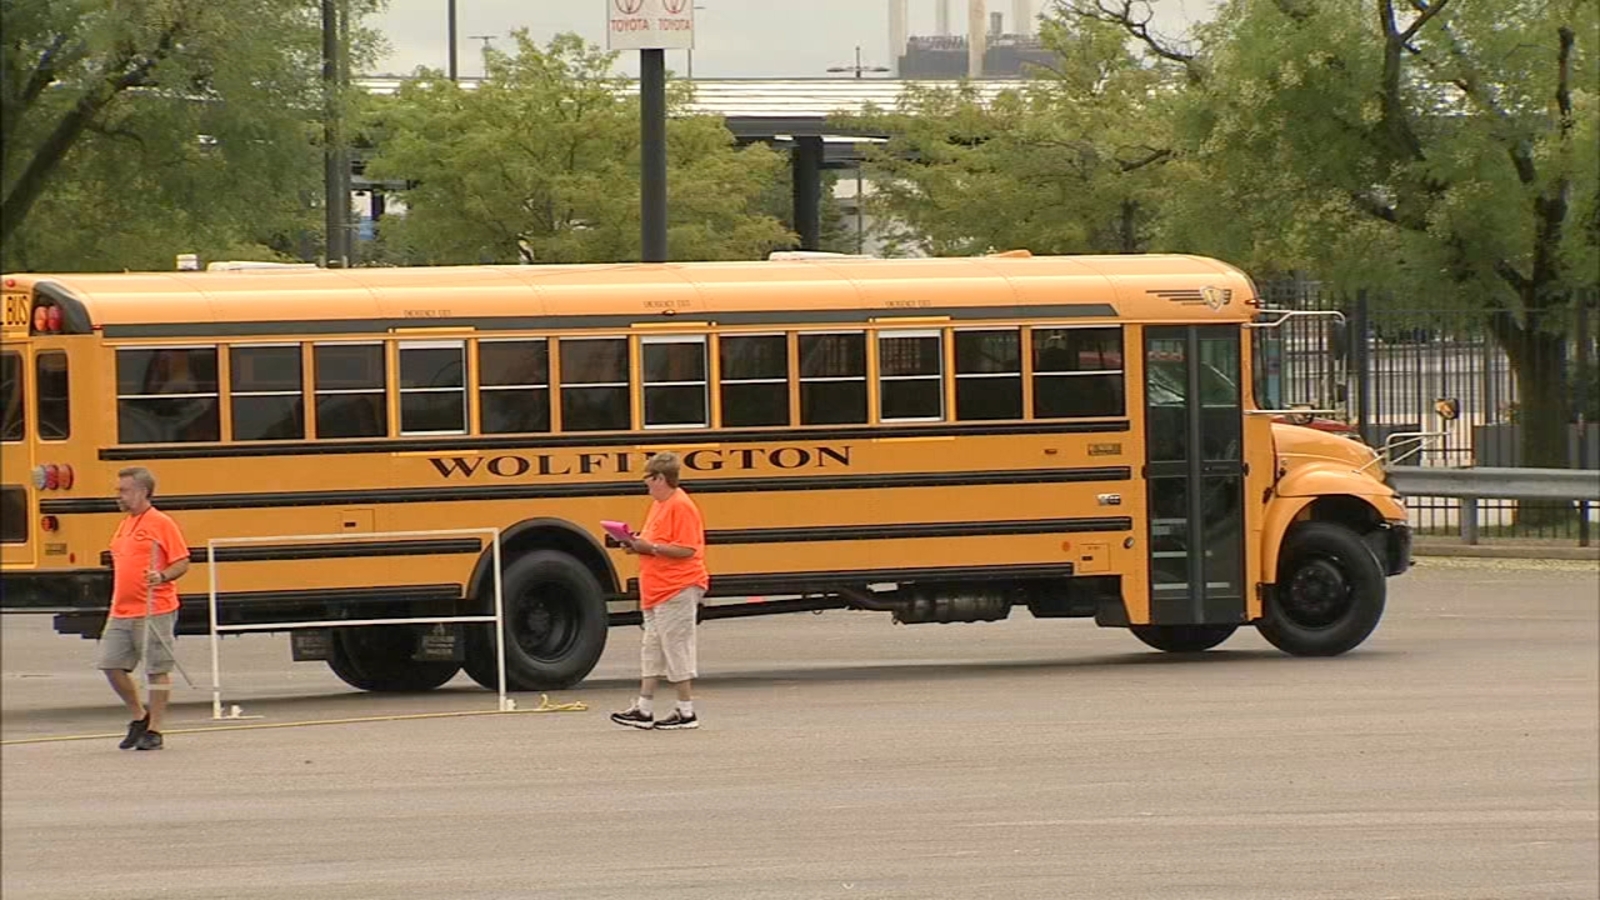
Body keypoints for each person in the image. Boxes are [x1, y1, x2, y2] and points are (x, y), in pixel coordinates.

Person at [611, 452, 709, 731]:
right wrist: (635, 543)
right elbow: (655, 540)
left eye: (648, 479)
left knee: (676, 646)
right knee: (652, 647)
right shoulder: (660, 504)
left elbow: (688, 549)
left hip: (677, 586)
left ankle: (686, 711)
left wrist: (650, 548)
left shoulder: (681, 506)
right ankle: (644, 707)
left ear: (660, 478)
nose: (646, 485)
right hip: (655, 587)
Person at [100, 466, 190, 751]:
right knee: (110, 664)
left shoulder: (161, 523)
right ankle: (139, 716)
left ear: (141, 491)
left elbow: (182, 561)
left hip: (154, 608)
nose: (118, 496)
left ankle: (155, 730)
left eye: (123, 491)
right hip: (121, 609)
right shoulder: (125, 524)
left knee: (156, 668)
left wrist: (161, 576)